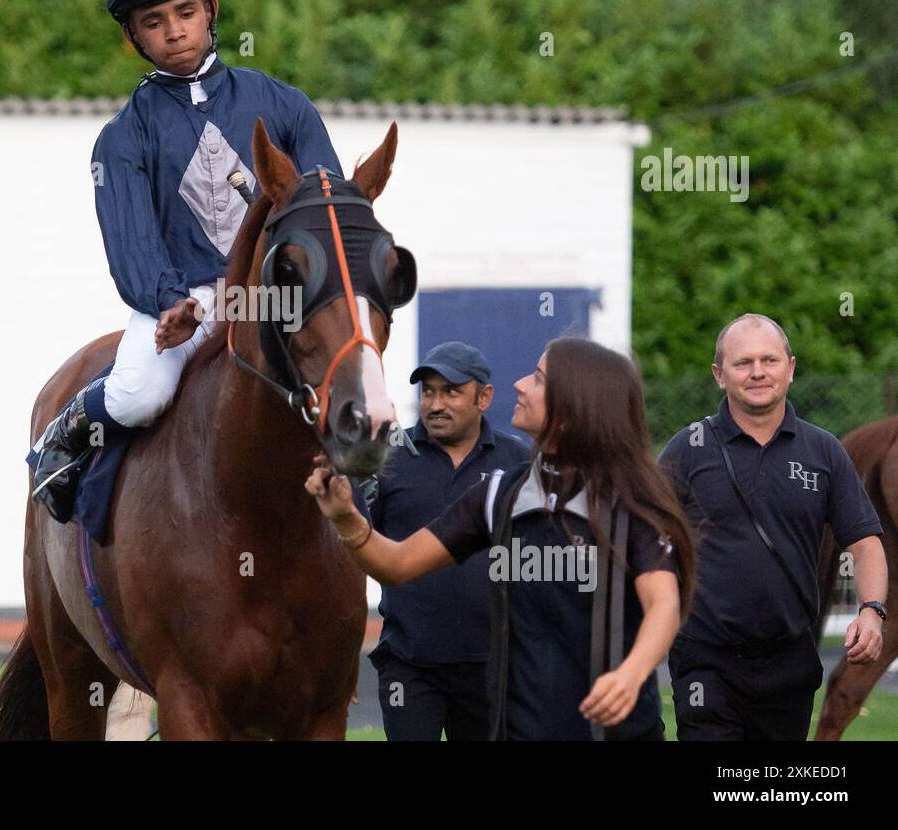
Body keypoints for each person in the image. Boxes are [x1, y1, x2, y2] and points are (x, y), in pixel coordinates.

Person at [32, 0, 343, 521]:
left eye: (186, 11)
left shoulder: (284, 105)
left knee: (348, 369)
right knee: (139, 393)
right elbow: (132, 244)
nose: (174, 30)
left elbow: (324, 209)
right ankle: (69, 429)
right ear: (132, 36)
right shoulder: (121, 139)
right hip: (188, 305)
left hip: (277, 297)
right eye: (153, 21)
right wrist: (171, 303)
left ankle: (388, 476)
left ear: (211, 11)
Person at [309, 337, 697, 740]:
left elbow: (664, 603)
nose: (521, 384)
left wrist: (631, 674)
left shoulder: (631, 504)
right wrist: (345, 516)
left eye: (540, 378)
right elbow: (397, 564)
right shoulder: (499, 495)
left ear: (571, 407)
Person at [658, 312, 886, 740]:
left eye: (769, 360)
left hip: (790, 661)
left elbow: (865, 542)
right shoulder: (686, 449)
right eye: (743, 363)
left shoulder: (824, 451)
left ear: (791, 368)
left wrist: (872, 612)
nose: (758, 372)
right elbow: (647, 538)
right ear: (719, 375)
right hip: (705, 659)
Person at [354, 341, 527, 740]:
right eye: (427, 391)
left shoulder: (517, 462)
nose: (435, 404)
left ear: (484, 397)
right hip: (409, 663)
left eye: (451, 391)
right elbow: (353, 549)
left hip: (492, 665)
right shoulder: (386, 458)